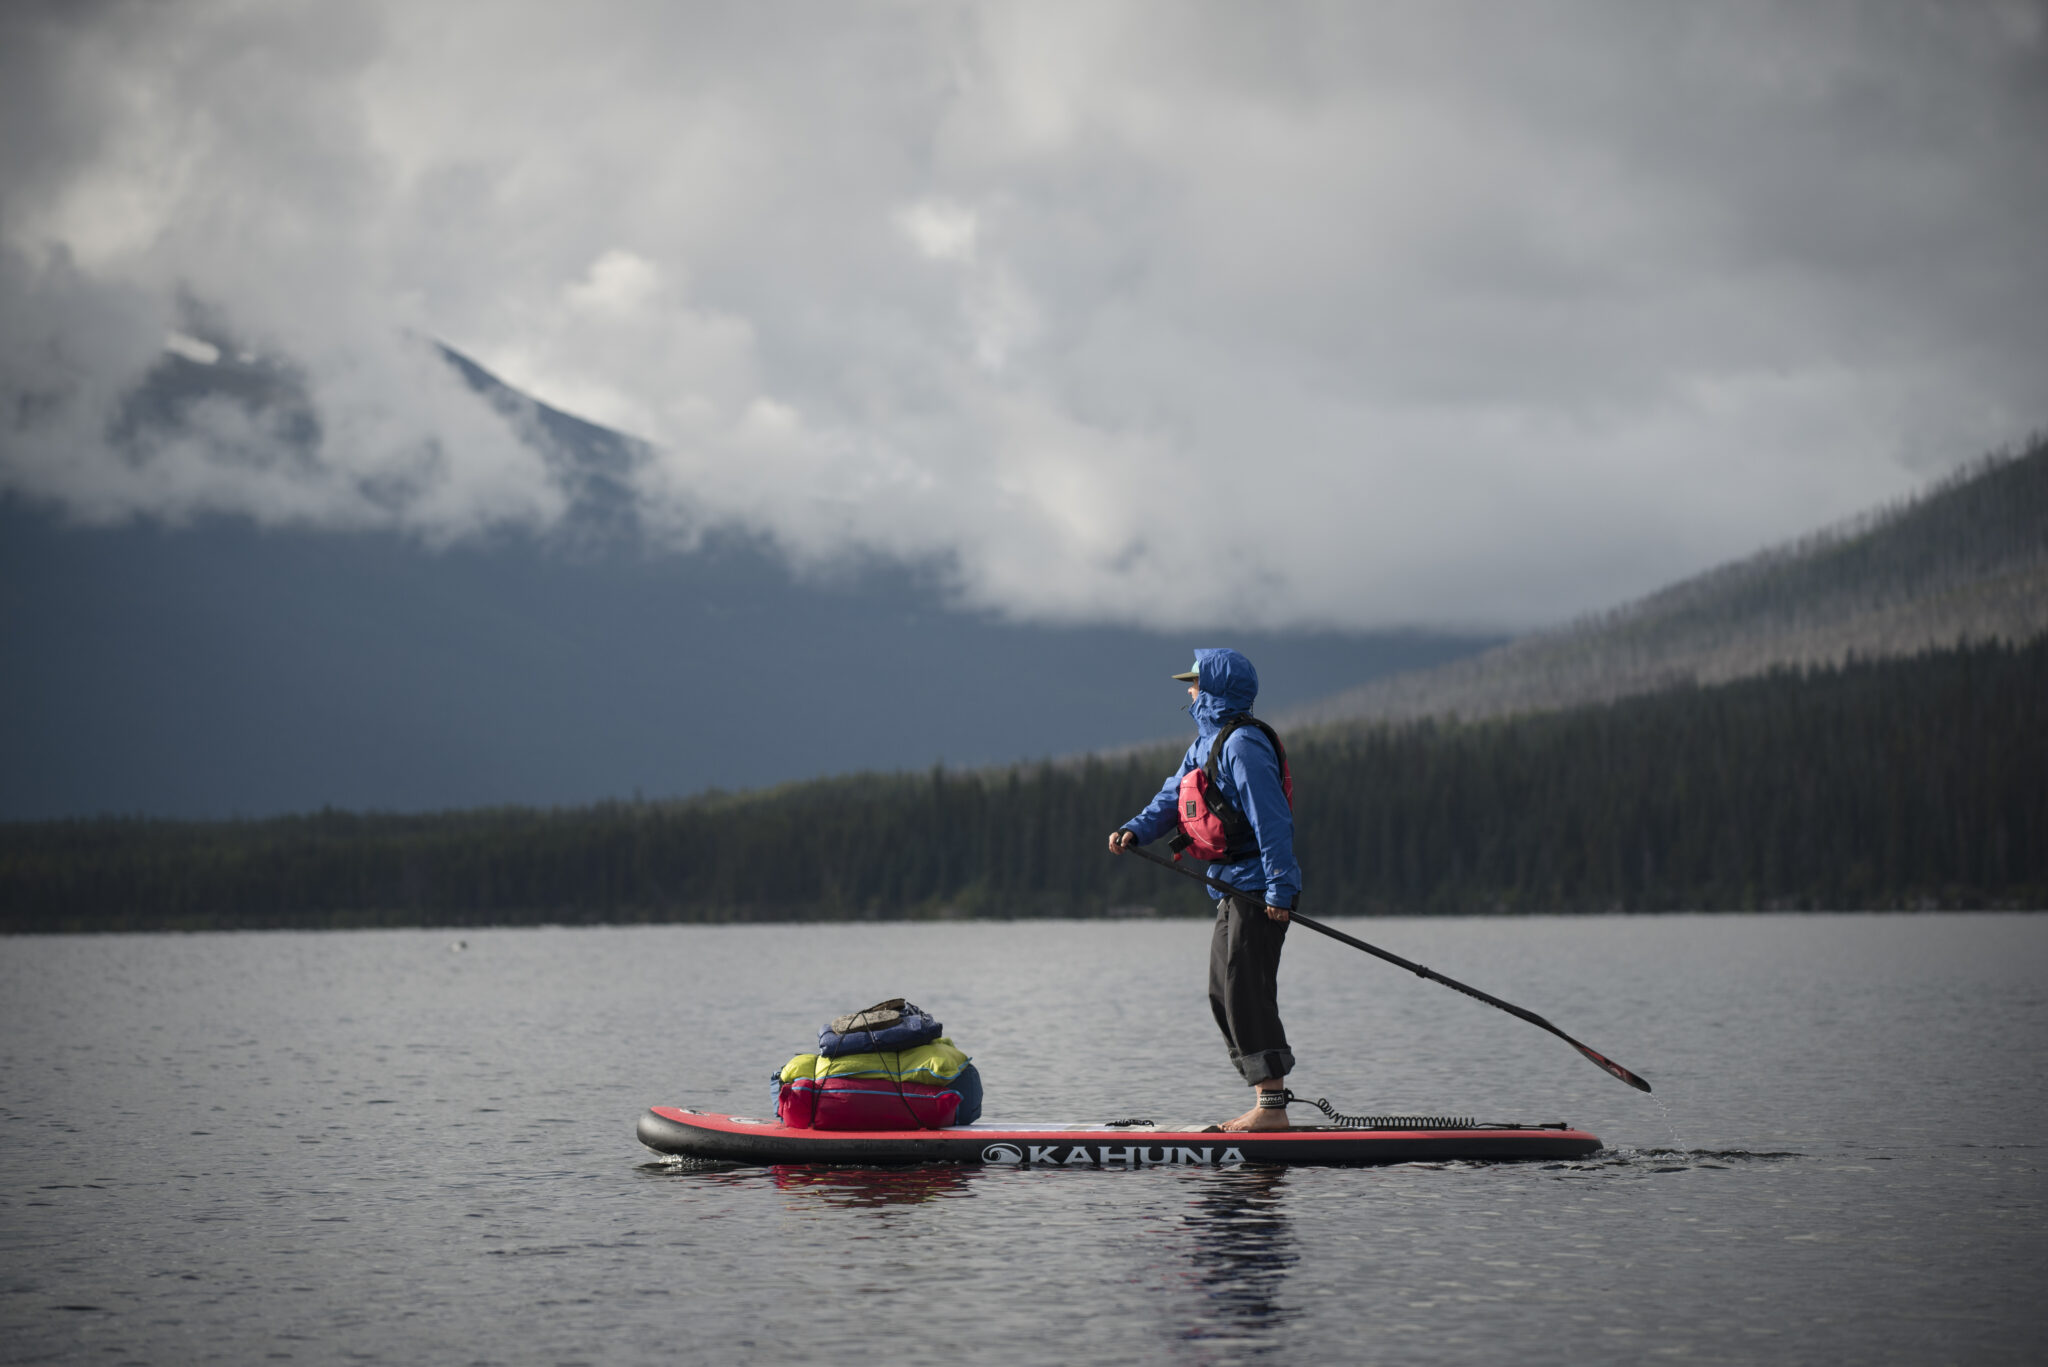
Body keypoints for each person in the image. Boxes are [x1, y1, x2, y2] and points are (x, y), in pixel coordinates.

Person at [1108, 648, 1300, 1132]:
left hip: (1259, 889)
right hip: (1231, 889)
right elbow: (1172, 796)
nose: (1189, 691)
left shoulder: (1242, 746)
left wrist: (1280, 890)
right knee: (1222, 991)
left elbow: (1271, 822)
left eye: (1194, 683)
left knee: (1245, 990)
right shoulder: (1205, 743)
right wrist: (1135, 829)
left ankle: (1272, 1108)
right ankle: (1265, 1098)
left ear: (1214, 689)